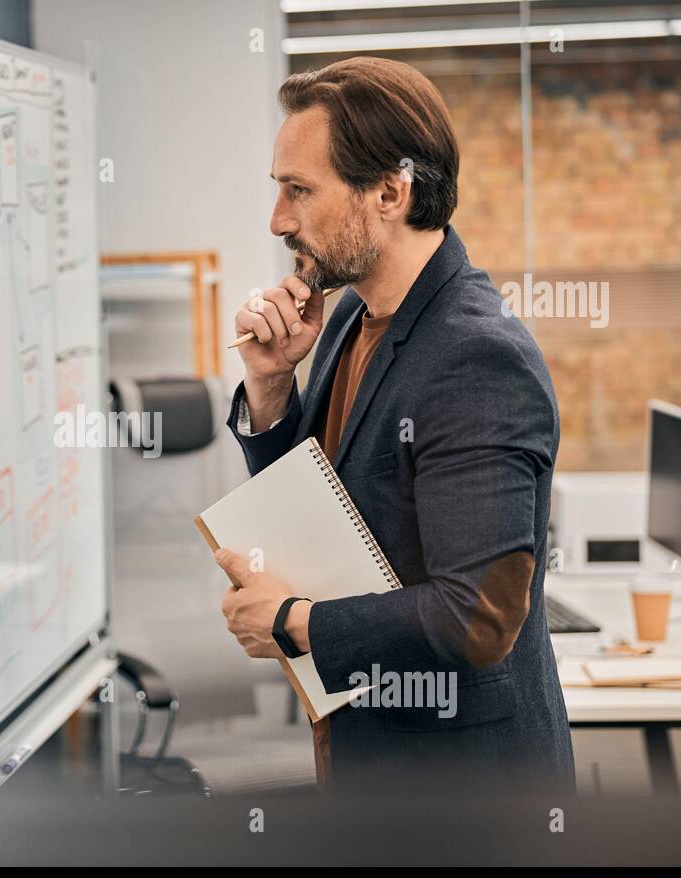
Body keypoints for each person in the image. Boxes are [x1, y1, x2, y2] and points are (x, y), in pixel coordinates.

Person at [216, 56, 574, 792]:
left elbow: (475, 616)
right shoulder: (352, 313)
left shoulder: (477, 359)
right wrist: (272, 383)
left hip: (465, 797)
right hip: (369, 757)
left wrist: (294, 623)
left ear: (390, 190)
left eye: (299, 190)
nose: (278, 220)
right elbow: (316, 507)